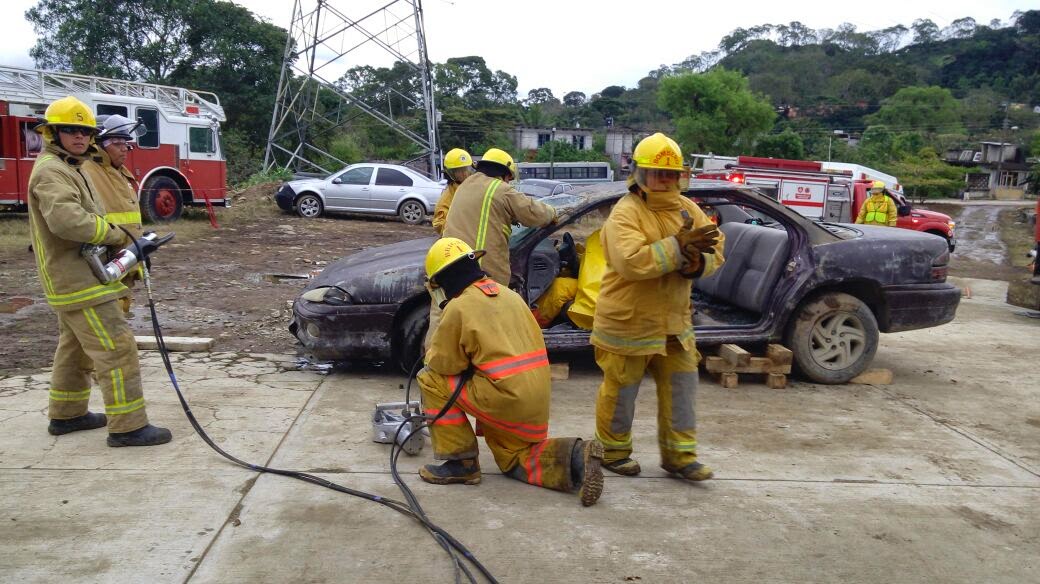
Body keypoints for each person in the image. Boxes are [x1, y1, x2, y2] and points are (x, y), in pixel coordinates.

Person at [27, 96, 171, 447]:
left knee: (75, 349)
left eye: (84, 131)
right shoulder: (51, 170)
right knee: (117, 348)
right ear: (53, 133)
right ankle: (128, 426)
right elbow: (66, 220)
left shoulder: (70, 165)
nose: (78, 137)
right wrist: (112, 234)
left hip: (81, 276)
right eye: (70, 130)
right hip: (79, 280)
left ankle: (67, 415)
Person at [417, 237, 605, 506]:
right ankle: (577, 457)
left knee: (429, 378)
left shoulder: (459, 307)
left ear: (442, 281)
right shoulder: (509, 295)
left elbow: (445, 366)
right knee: (514, 457)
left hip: (504, 396)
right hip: (536, 399)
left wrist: (438, 341)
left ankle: (461, 463)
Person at [592, 132, 725, 481]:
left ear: (682, 176)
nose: (665, 181)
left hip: (674, 325)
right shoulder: (626, 214)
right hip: (628, 323)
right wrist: (679, 249)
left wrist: (697, 264)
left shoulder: (688, 209)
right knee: (621, 393)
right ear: (639, 174)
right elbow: (632, 262)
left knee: (683, 390)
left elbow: (717, 248)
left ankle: (681, 457)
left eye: (671, 174)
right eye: (656, 173)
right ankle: (612, 452)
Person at [442, 148, 556, 287]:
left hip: (453, 263)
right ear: (504, 174)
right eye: (509, 179)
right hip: (482, 271)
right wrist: (554, 213)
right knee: (498, 305)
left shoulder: (465, 185)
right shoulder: (500, 189)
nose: (508, 183)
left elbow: (483, 212)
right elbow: (536, 214)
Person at [83, 114, 146, 315]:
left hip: (125, 257)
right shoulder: (88, 171)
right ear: (98, 144)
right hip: (104, 260)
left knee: (121, 309)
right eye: (117, 142)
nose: (124, 148)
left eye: (126, 143)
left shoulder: (119, 172)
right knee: (110, 318)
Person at [431, 148, 474, 235]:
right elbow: (439, 223)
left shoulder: (479, 185)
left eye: (466, 169)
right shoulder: (449, 195)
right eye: (459, 171)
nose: (464, 174)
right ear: (451, 173)